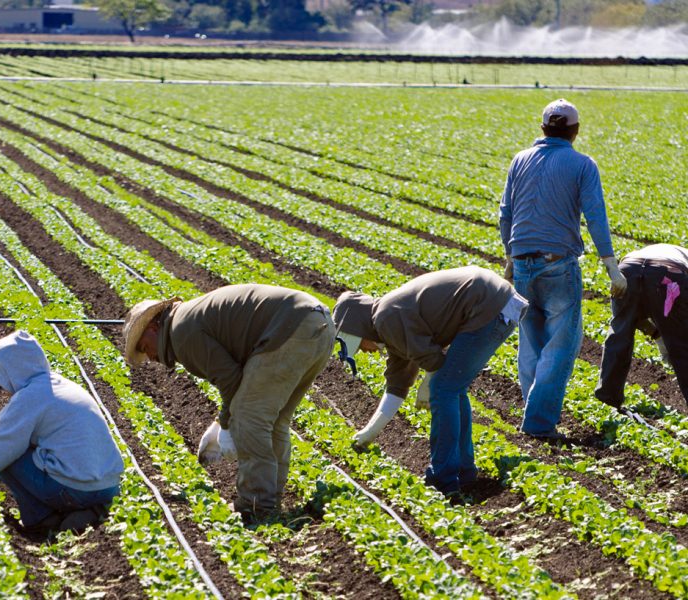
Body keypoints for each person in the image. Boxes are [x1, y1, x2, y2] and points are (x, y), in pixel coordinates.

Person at [123, 284, 336, 522]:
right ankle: (269, 500)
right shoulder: (185, 321)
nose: (150, 357)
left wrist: (226, 425)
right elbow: (237, 381)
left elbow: (231, 380)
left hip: (290, 329)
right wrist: (220, 421)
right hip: (317, 323)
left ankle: (255, 506)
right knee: (273, 420)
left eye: (144, 347)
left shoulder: (181, 333)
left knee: (250, 417)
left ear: (153, 327)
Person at [333, 266, 528, 501]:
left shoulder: (386, 317)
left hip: (486, 305)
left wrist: (430, 381)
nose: (363, 351)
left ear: (357, 328)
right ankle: (464, 471)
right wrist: (368, 433)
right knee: (451, 388)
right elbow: (397, 386)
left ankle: (443, 477)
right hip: (494, 301)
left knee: (444, 389)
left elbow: (434, 361)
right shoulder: (388, 325)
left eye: (357, 344)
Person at [499, 98, 626, 440]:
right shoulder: (582, 164)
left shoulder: (519, 160)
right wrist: (611, 267)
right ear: (575, 131)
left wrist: (510, 261)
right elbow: (595, 215)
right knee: (561, 344)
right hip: (559, 264)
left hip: (523, 262)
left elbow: (506, 214)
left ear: (543, 129)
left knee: (530, 342)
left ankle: (533, 413)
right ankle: (538, 423)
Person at [0, 330, 124, 534]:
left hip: (76, 490)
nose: (6, 391)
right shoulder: (62, 386)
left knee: (7, 455)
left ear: (11, 373)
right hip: (109, 487)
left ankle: (42, 519)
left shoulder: (31, 397)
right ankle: (90, 511)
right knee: (22, 448)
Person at [595, 244, 688, 408]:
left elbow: (635, 315)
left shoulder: (661, 249)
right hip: (668, 273)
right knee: (681, 346)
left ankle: (608, 397)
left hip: (628, 269)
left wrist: (657, 334)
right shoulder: (683, 260)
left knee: (621, 328)